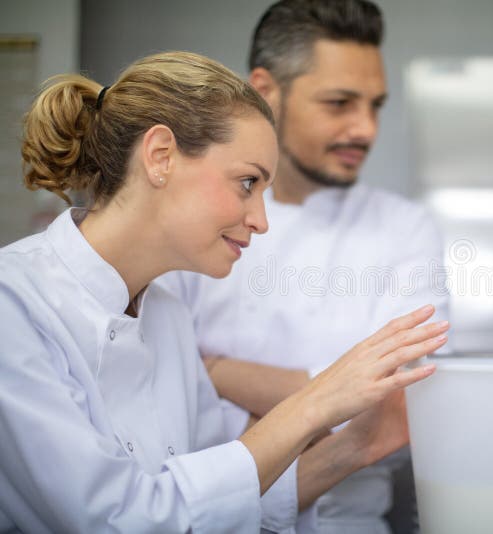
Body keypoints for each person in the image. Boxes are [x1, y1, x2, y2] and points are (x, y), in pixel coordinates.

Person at [0, 51, 448, 533]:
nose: (261, 220)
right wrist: (314, 401)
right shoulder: (15, 304)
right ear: (160, 157)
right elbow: (122, 520)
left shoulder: (165, 313)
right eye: (247, 183)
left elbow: (228, 487)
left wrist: (356, 445)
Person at [158, 1, 449, 532]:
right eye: (339, 103)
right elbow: (161, 408)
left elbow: (405, 404)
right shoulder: (190, 223)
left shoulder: (404, 228)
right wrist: (336, 397)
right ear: (266, 91)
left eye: (376, 105)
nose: (365, 128)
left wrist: (214, 372)